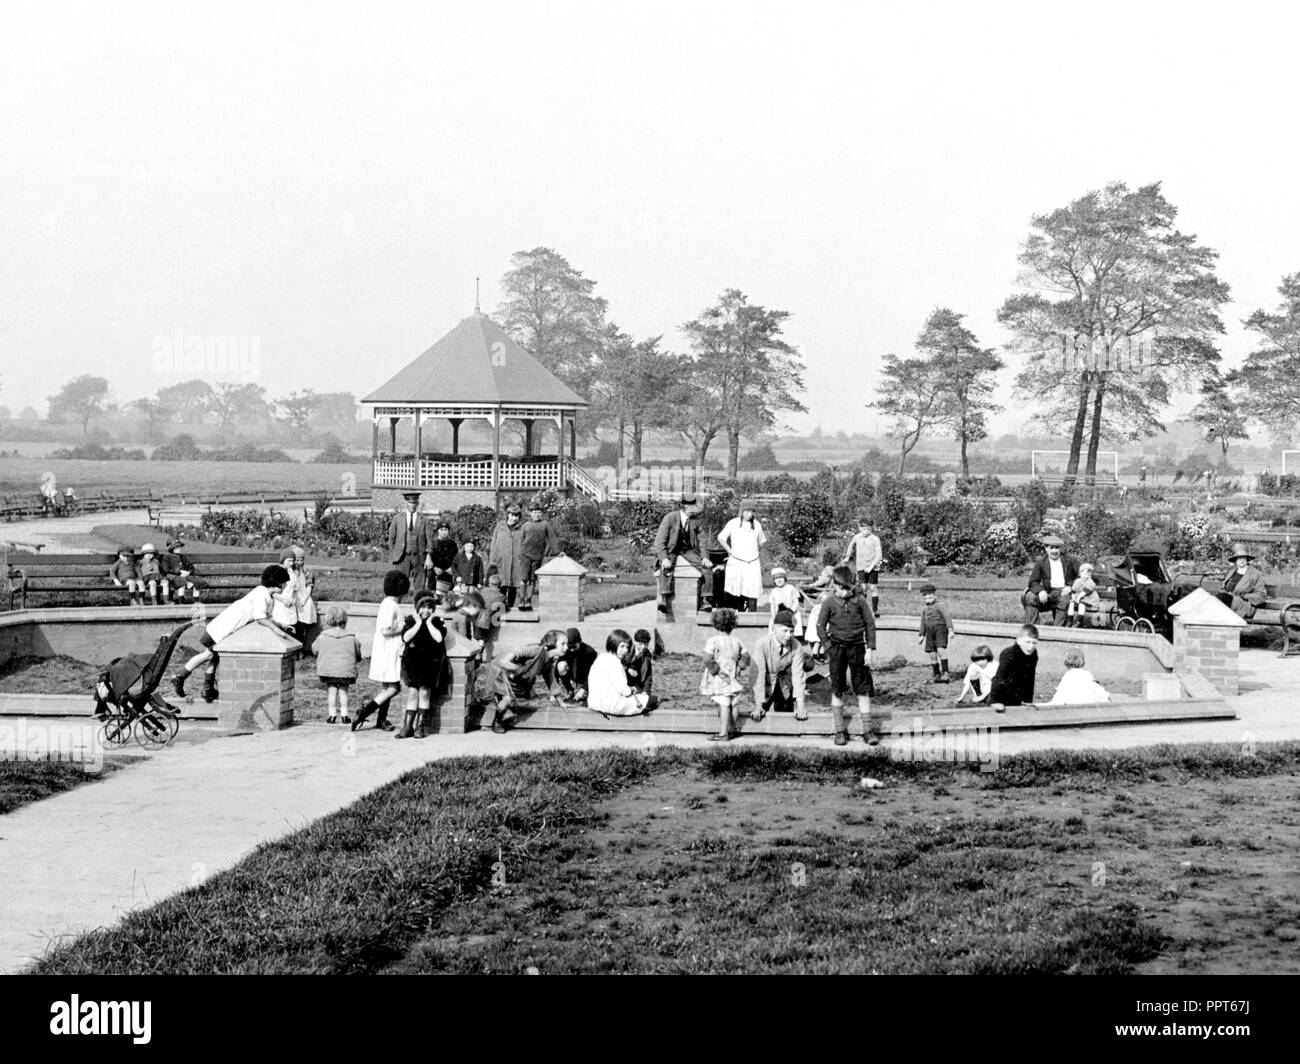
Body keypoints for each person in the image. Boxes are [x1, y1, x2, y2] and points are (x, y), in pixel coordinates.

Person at [172, 564, 292, 703]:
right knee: (209, 655)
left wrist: (282, 625)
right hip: (222, 629)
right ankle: (180, 677)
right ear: (276, 582)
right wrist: (277, 630)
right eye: (283, 583)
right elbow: (260, 618)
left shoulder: (268, 597)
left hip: (224, 630)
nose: (284, 586)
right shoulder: (261, 594)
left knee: (214, 657)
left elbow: (268, 617)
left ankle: (207, 688)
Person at [816, 565, 878, 745]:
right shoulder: (828, 602)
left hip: (858, 648)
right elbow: (820, 626)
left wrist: (870, 649)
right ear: (834, 584)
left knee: (862, 688)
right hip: (837, 648)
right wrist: (828, 646)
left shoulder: (859, 601)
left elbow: (870, 624)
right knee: (837, 688)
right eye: (841, 588)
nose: (844, 593)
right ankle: (839, 730)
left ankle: (867, 730)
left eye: (848, 589)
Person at [352, 570, 410, 731]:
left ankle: (381, 720)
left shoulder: (387, 603)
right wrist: (402, 627)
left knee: (386, 687)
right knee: (394, 688)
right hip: (389, 650)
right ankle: (364, 712)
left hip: (385, 649)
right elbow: (386, 629)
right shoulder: (391, 606)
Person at [480, 629, 568, 732]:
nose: (566, 647)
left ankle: (505, 705)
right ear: (552, 643)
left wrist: (561, 702)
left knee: (530, 695)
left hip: (513, 678)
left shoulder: (547, 661)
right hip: (498, 671)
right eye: (563, 644)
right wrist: (509, 664)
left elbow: (551, 680)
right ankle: (497, 721)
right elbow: (517, 652)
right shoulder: (536, 650)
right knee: (507, 699)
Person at [396, 590, 447, 739]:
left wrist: (429, 622)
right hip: (413, 663)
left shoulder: (437, 622)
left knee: (424, 693)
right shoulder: (410, 621)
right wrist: (418, 623)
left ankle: (421, 726)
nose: (426, 611)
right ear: (417, 608)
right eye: (423, 607)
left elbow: (438, 639)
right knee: (412, 693)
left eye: (430, 608)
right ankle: (407, 727)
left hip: (430, 664)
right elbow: (405, 637)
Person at [652, 493, 712, 613]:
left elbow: (703, 541)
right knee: (666, 568)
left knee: (707, 568)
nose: (698, 508)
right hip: (672, 550)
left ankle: (704, 600)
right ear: (687, 507)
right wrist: (664, 558)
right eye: (696, 505)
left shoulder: (695, 521)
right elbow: (659, 542)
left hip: (688, 550)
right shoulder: (670, 518)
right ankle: (664, 599)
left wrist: (705, 557)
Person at [700, 608, 749, 741]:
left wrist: (715, 670)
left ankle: (723, 733)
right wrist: (740, 666)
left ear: (715, 624)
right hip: (732, 676)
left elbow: (707, 658)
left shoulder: (713, 641)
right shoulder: (737, 641)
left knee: (723, 703)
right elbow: (745, 656)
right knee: (733, 702)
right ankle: (733, 730)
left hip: (719, 677)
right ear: (733, 624)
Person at [751, 608, 808, 722]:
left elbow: (798, 675)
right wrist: (758, 704)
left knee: (786, 716)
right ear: (774, 629)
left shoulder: (796, 646)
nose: (789, 635)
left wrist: (800, 705)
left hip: (785, 683)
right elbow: (758, 675)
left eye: (792, 631)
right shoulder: (762, 644)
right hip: (767, 682)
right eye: (785, 630)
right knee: (760, 714)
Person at [716, 499, 766, 612]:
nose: (749, 514)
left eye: (752, 511)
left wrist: (754, 553)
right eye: (747, 511)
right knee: (737, 589)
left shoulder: (757, 525)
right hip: (737, 562)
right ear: (742, 511)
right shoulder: (733, 523)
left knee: (752, 590)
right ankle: (738, 614)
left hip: (752, 563)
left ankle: (752, 616)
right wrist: (730, 550)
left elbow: (761, 542)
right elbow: (721, 538)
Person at [587, 630, 652, 716]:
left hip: (594, 702)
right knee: (653, 701)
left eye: (627, 647)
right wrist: (631, 690)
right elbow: (623, 689)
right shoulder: (616, 662)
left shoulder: (600, 658)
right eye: (622, 646)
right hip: (610, 705)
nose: (625, 650)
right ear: (613, 644)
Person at [315, 605, 361, 724]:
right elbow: (358, 652)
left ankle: (332, 715)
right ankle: (345, 715)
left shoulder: (323, 636)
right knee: (344, 692)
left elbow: (314, 649)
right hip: (346, 670)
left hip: (328, 669)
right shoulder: (351, 637)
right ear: (345, 620)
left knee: (331, 691)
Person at [1022, 534, 1080, 626]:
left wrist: (1070, 587)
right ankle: (1032, 628)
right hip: (1047, 593)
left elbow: (1081, 576)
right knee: (1030, 597)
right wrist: (1041, 591)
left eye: (1057, 548)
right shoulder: (1041, 562)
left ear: (1060, 548)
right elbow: (1033, 581)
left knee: (1065, 600)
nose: (1054, 551)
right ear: (1046, 549)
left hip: (1062, 593)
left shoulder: (1070, 561)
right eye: (1051, 548)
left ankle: (1057, 630)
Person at [272, 546, 318, 651]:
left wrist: (303, 599)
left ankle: (300, 648)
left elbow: (306, 587)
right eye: (294, 560)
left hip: (300, 599)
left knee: (301, 624)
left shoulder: (303, 571)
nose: (297, 563)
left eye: (300, 560)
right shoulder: (287, 571)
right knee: (288, 624)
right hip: (288, 601)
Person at [518, 502, 559, 611]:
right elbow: (520, 541)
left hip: (538, 556)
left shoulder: (545, 524)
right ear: (530, 513)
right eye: (535, 512)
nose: (537, 514)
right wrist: (519, 554)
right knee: (523, 579)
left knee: (532, 579)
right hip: (525, 555)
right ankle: (521, 600)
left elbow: (551, 539)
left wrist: (556, 552)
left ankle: (528, 601)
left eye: (539, 512)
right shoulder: (525, 525)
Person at [989, 625, 1039, 711]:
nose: (1031, 647)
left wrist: (1028, 700)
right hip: (1002, 695)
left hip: (1017, 695)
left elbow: (1030, 678)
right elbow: (999, 677)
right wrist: (995, 701)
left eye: (1034, 643)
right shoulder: (1009, 653)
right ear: (1018, 641)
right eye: (1027, 642)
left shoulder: (1033, 655)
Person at [487, 503, 527, 610]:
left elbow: (525, 544)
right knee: (502, 584)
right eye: (512, 515)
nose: (514, 518)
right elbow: (494, 543)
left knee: (513, 585)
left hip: (515, 561)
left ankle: (510, 608)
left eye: (517, 516)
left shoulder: (521, 528)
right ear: (508, 515)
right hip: (502, 561)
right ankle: (500, 607)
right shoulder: (500, 527)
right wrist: (493, 560)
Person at [841, 514, 883, 615]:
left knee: (873, 587)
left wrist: (871, 566)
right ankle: (863, 609)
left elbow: (879, 555)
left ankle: (875, 609)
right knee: (863, 588)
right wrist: (847, 557)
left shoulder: (875, 539)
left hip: (873, 566)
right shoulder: (857, 537)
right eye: (864, 529)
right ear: (860, 528)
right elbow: (851, 546)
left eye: (869, 529)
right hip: (861, 566)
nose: (866, 532)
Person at [387, 492, 428, 594]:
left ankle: (418, 604)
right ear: (406, 503)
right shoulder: (397, 519)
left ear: (417, 504)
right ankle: (399, 604)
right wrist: (394, 553)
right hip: (402, 556)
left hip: (419, 555)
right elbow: (391, 538)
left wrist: (428, 556)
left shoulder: (424, 520)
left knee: (420, 583)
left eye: (414, 503)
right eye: (410, 503)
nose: (412, 505)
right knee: (400, 582)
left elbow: (430, 540)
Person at [1216, 544, 1269, 619]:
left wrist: (1243, 596)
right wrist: (1225, 593)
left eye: (1244, 558)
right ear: (1235, 560)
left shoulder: (1255, 574)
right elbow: (1222, 588)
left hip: (1243, 606)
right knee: (1214, 599)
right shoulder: (1232, 572)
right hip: (1227, 601)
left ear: (1247, 559)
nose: (1242, 560)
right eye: (1239, 558)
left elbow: (1261, 596)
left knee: (1221, 599)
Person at [917, 582, 954, 683]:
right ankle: (936, 674)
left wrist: (950, 630)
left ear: (934, 595)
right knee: (932, 653)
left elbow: (947, 616)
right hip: (929, 631)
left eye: (929, 598)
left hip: (940, 629)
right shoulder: (925, 608)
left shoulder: (940, 605)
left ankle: (945, 673)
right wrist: (921, 635)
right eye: (925, 599)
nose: (927, 600)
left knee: (941, 650)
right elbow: (923, 622)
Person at [556, 627, 599, 704]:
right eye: (570, 647)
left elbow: (594, 673)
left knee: (591, 699)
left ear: (580, 642)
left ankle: (587, 690)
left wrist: (584, 688)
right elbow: (556, 669)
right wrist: (553, 692)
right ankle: (570, 690)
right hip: (572, 675)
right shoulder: (565, 650)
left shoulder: (590, 652)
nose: (571, 650)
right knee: (561, 665)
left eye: (574, 647)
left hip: (586, 677)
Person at [767, 567, 805, 638]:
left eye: (781, 578)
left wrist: (790, 612)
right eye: (776, 578)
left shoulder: (791, 588)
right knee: (777, 631)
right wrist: (774, 616)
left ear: (785, 579)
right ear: (774, 581)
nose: (779, 580)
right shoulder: (773, 592)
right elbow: (772, 606)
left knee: (791, 631)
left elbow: (796, 602)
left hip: (791, 613)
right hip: (779, 615)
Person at [478, 574, 507, 660]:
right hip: (489, 622)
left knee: (482, 639)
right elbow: (503, 608)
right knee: (487, 641)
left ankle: (479, 655)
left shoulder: (482, 592)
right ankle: (484, 656)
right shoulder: (501, 596)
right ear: (499, 585)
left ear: (489, 583)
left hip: (479, 619)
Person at [162, 539, 200, 604]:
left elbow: (191, 567)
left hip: (185, 575)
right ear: (172, 548)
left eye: (179, 547)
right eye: (177, 547)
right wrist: (179, 572)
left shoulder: (183, 557)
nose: (179, 548)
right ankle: (181, 601)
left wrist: (189, 572)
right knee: (181, 582)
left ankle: (196, 602)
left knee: (197, 583)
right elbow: (166, 569)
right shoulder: (167, 557)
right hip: (173, 576)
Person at [1066, 562, 1102, 627]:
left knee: (1082, 604)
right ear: (1080, 573)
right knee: (1071, 603)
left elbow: (1085, 592)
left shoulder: (1090, 582)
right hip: (1080, 598)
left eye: (1089, 574)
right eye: (1085, 573)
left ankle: (1079, 621)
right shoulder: (1077, 581)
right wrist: (1073, 597)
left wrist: (1078, 598)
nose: (1087, 575)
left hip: (1090, 598)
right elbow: (1073, 591)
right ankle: (1069, 621)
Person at [425, 518, 459, 584]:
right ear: (438, 531)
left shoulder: (452, 544)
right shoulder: (433, 543)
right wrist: (434, 568)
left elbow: (456, 558)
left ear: (448, 531)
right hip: (435, 573)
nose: (444, 532)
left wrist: (452, 568)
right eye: (441, 530)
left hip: (448, 572)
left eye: (446, 530)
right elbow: (429, 558)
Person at [625, 628, 654, 698]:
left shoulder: (647, 656)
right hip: (624, 684)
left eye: (646, 644)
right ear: (635, 642)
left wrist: (646, 691)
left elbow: (648, 676)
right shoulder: (626, 651)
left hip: (638, 686)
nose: (643, 647)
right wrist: (627, 669)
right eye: (640, 644)